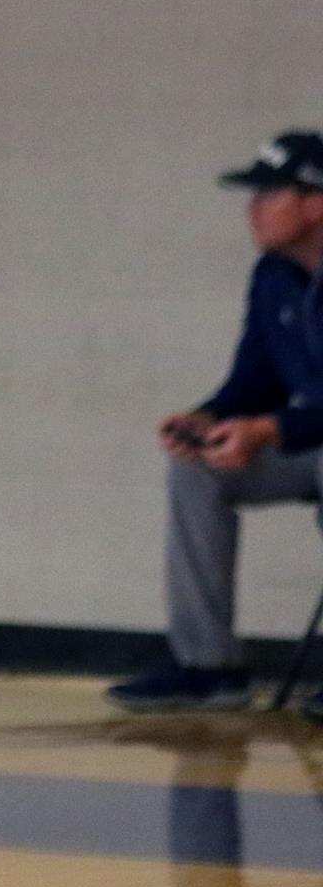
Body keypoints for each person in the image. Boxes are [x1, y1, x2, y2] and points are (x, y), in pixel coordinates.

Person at [108, 130, 323, 727]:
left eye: (268, 193)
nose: (251, 208)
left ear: (315, 203)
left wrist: (270, 430)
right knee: (195, 467)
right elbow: (255, 380)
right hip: (302, 436)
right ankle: (209, 668)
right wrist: (208, 417)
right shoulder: (273, 275)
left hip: (308, 439)